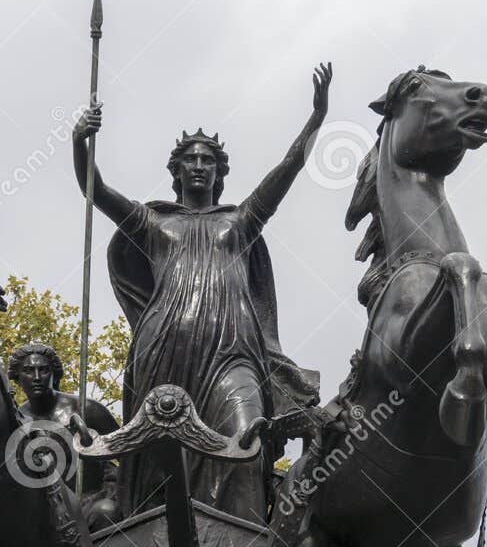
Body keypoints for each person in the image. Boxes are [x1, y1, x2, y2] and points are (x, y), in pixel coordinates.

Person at [71, 64, 331, 521]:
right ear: (176, 171)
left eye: (207, 160)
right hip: (164, 353)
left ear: (218, 172)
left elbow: (287, 170)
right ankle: (157, 541)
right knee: (158, 457)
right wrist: (79, 142)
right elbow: (96, 190)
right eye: (189, 160)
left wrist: (316, 118)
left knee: (247, 433)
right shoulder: (154, 222)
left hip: (233, 352)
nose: (197, 166)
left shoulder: (240, 221)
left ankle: (245, 541)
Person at [6, 341, 121, 530]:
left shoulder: (86, 409)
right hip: (50, 512)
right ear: (17, 378)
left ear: (55, 374)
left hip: (95, 501)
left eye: (43, 370)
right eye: (28, 371)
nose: (36, 377)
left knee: (105, 512)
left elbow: (128, 455)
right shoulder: (16, 423)